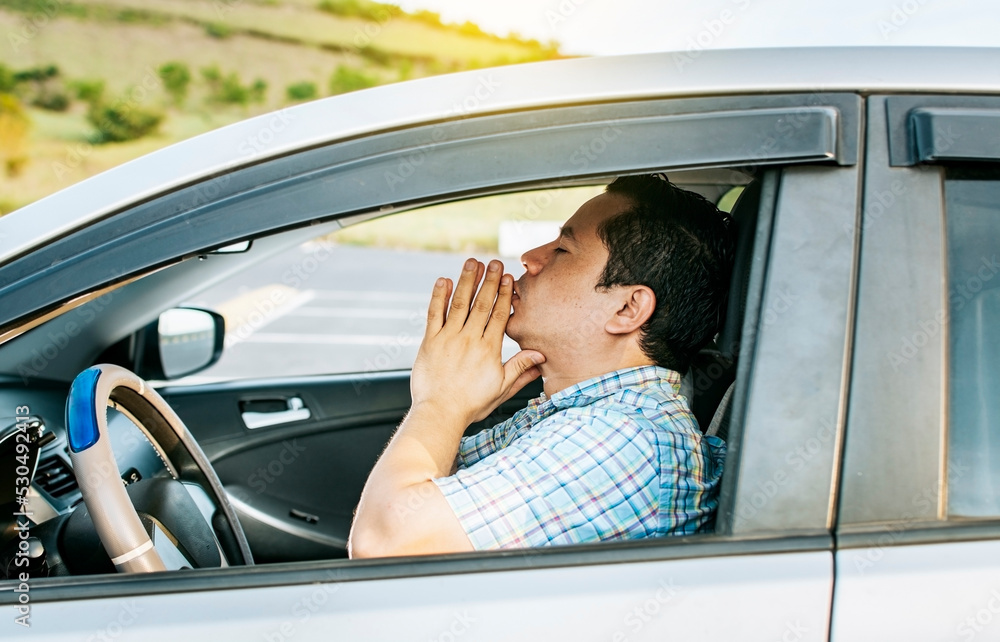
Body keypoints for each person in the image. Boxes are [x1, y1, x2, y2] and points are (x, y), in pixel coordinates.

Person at [349, 174, 734, 558]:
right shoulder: (575, 411)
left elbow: (383, 544)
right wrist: (453, 407)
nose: (531, 258)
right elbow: (427, 485)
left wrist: (442, 403)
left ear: (627, 308)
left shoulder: (623, 435)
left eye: (563, 249)